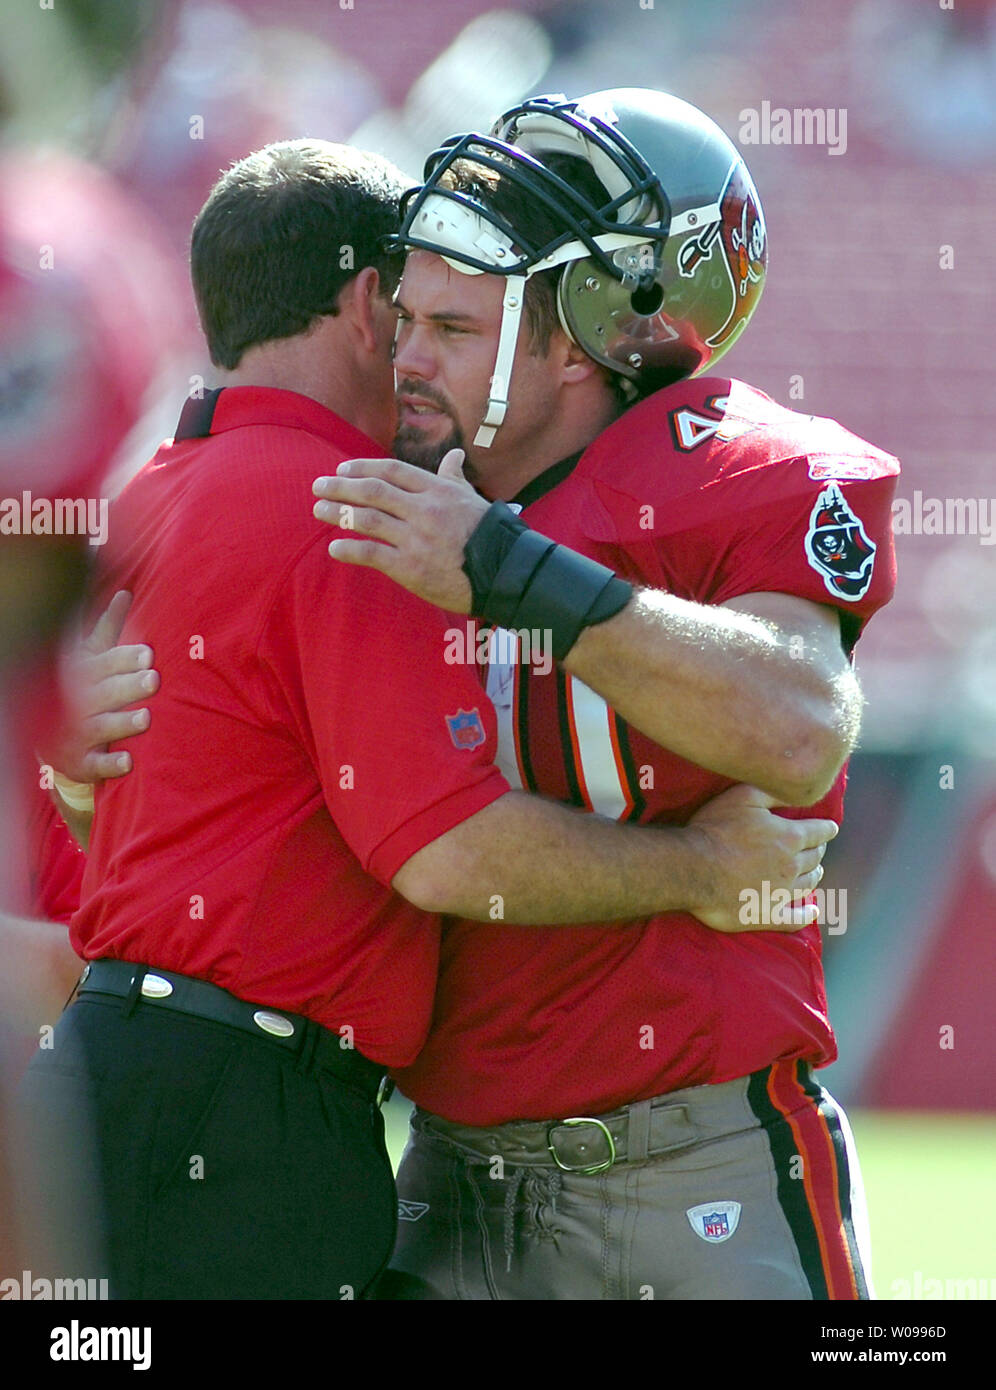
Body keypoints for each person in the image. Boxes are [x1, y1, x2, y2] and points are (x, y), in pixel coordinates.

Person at [20, 136, 835, 1301]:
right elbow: (448, 853)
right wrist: (697, 864)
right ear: (365, 301)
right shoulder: (350, 505)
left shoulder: (150, 489)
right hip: (251, 1109)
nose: (415, 355)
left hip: (110, 1078)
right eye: (416, 317)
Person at [311, 89, 900, 1299]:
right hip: (443, 1171)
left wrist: (506, 572)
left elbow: (799, 725)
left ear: (594, 325)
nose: (405, 357)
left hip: (699, 1166)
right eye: (407, 317)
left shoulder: (741, 473)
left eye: (456, 325)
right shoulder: (393, 485)